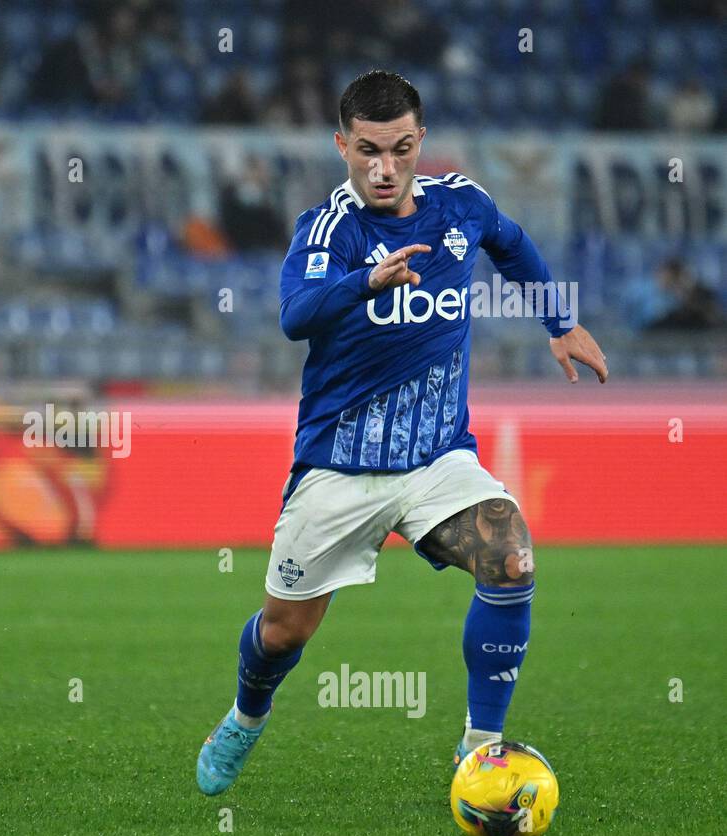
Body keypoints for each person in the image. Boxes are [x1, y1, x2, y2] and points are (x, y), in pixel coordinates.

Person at [196, 71, 609, 795]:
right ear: (342, 147)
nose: (385, 168)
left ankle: (480, 752)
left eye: (401, 149)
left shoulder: (461, 205)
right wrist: (367, 282)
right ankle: (245, 716)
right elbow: (295, 316)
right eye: (368, 151)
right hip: (339, 464)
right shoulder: (330, 228)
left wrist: (560, 321)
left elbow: (512, 244)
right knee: (284, 632)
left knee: (510, 559)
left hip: (436, 459)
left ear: (421, 141)